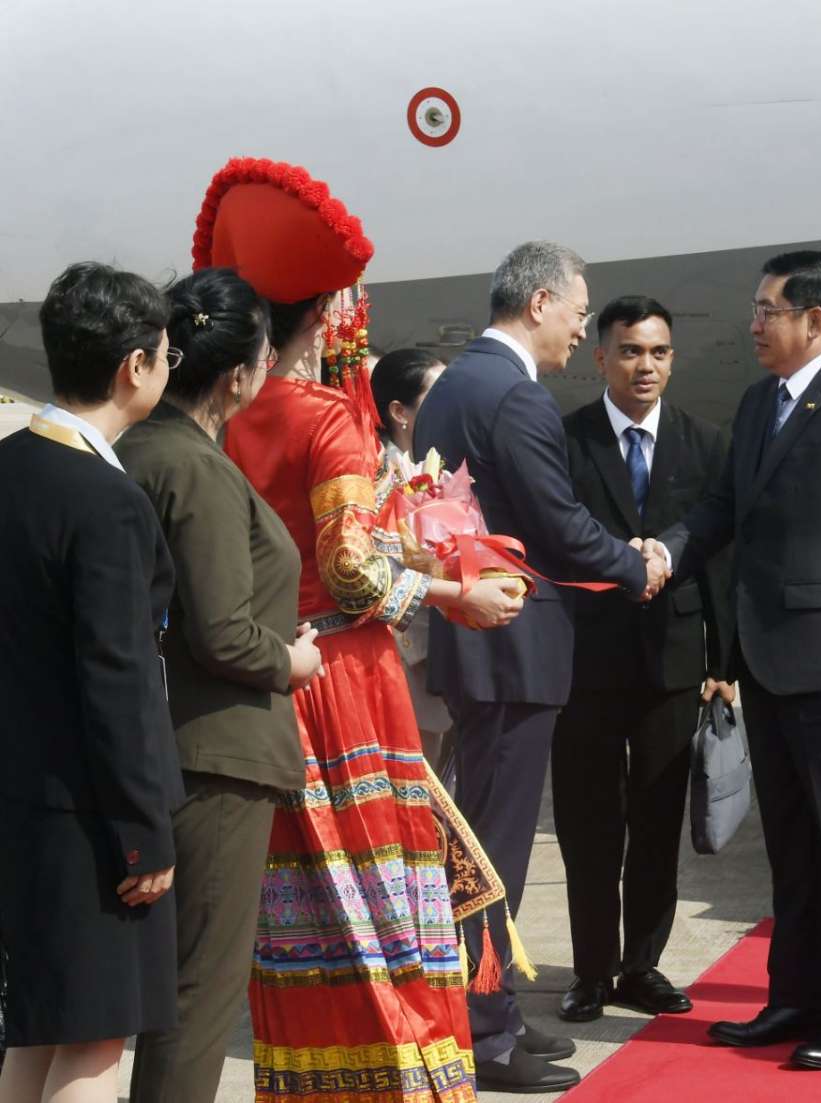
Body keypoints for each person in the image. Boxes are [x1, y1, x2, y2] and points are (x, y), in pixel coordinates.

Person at [197, 157, 523, 1102]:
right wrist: (454, 597)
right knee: (381, 905)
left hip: (257, 674)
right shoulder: (322, 418)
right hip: (343, 679)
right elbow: (347, 566)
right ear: (329, 316)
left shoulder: (215, 417)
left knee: (293, 915)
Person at [413, 242, 666, 1094]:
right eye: (578, 311)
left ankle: (499, 1011)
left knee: (486, 839)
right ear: (539, 303)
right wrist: (635, 564)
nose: (581, 328)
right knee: (494, 849)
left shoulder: (453, 386)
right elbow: (556, 525)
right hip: (512, 644)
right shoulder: (515, 394)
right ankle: (482, 1032)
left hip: (479, 639)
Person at [656, 250, 821, 1070]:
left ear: (817, 319)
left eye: (769, 308)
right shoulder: (762, 400)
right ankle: (800, 994)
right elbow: (722, 512)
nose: (755, 322)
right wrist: (659, 556)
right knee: (793, 844)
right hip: (767, 661)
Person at [114, 267, 322, 1101]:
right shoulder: (191, 466)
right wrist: (292, 660)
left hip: (175, 743)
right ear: (240, 373)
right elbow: (224, 629)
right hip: (217, 754)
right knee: (199, 996)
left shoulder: (142, 449)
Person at [0, 262, 182, 1103]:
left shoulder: (11, 469)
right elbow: (119, 676)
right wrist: (143, 830)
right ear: (133, 366)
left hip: (22, 802)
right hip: (88, 816)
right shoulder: (105, 499)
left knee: (39, 1030)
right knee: (95, 1039)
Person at [553, 296, 733, 1023]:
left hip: (672, 659)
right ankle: (591, 969)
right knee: (588, 822)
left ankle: (642, 965)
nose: (645, 366)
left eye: (658, 352)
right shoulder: (566, 440)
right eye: (630, 351)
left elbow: (722, 555)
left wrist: (727, 658)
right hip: (584, 661)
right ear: (600, 357)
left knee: (657, 817)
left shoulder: (703, 442)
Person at [371, 347, 453, 768]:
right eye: (437, 397)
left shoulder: (435, 469)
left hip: (440, 652)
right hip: (398, 655)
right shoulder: (378, 472)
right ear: (400, 412)